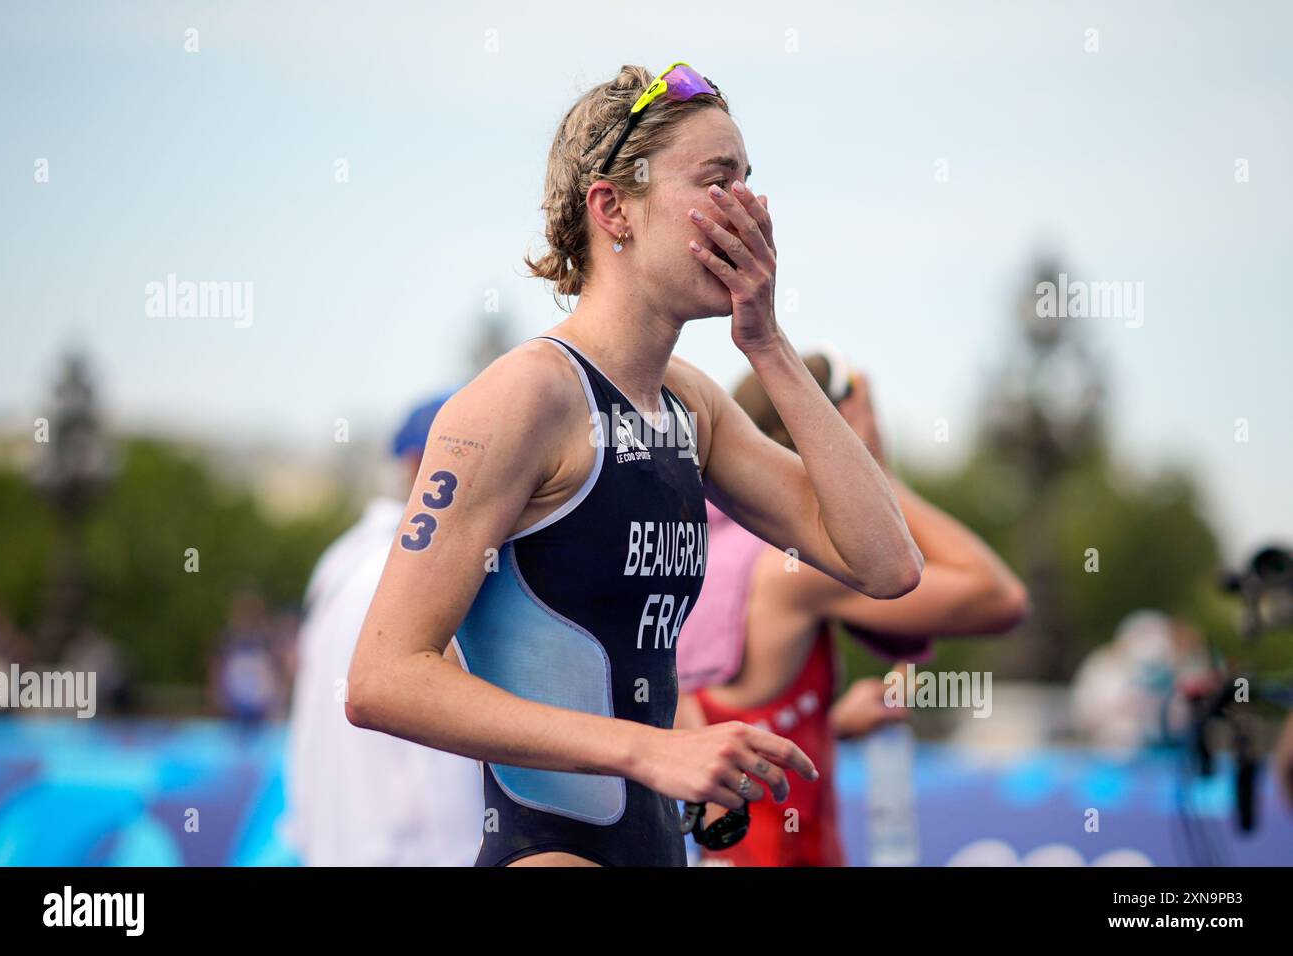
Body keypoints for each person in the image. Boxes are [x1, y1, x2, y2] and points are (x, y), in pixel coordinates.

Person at [346, 62, 924, 867]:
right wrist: (647, 752)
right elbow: (380, 678)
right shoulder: (524, 399)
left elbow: (888, 563)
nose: (749, 208)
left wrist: (767, 344)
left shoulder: (693, 403)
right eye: (717, 179)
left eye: (751, 182)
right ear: (613, 207)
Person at [678, 354, 1030, 866]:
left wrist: (831, 721)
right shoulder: (790, 571)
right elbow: (999, 598)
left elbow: (732, 720)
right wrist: (876, 471)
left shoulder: (705, 546)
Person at [286, 395, 484, 866]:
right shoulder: (421, 569)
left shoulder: (342, 560)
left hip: (341, 845)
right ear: (422, 462)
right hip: (413, 851)